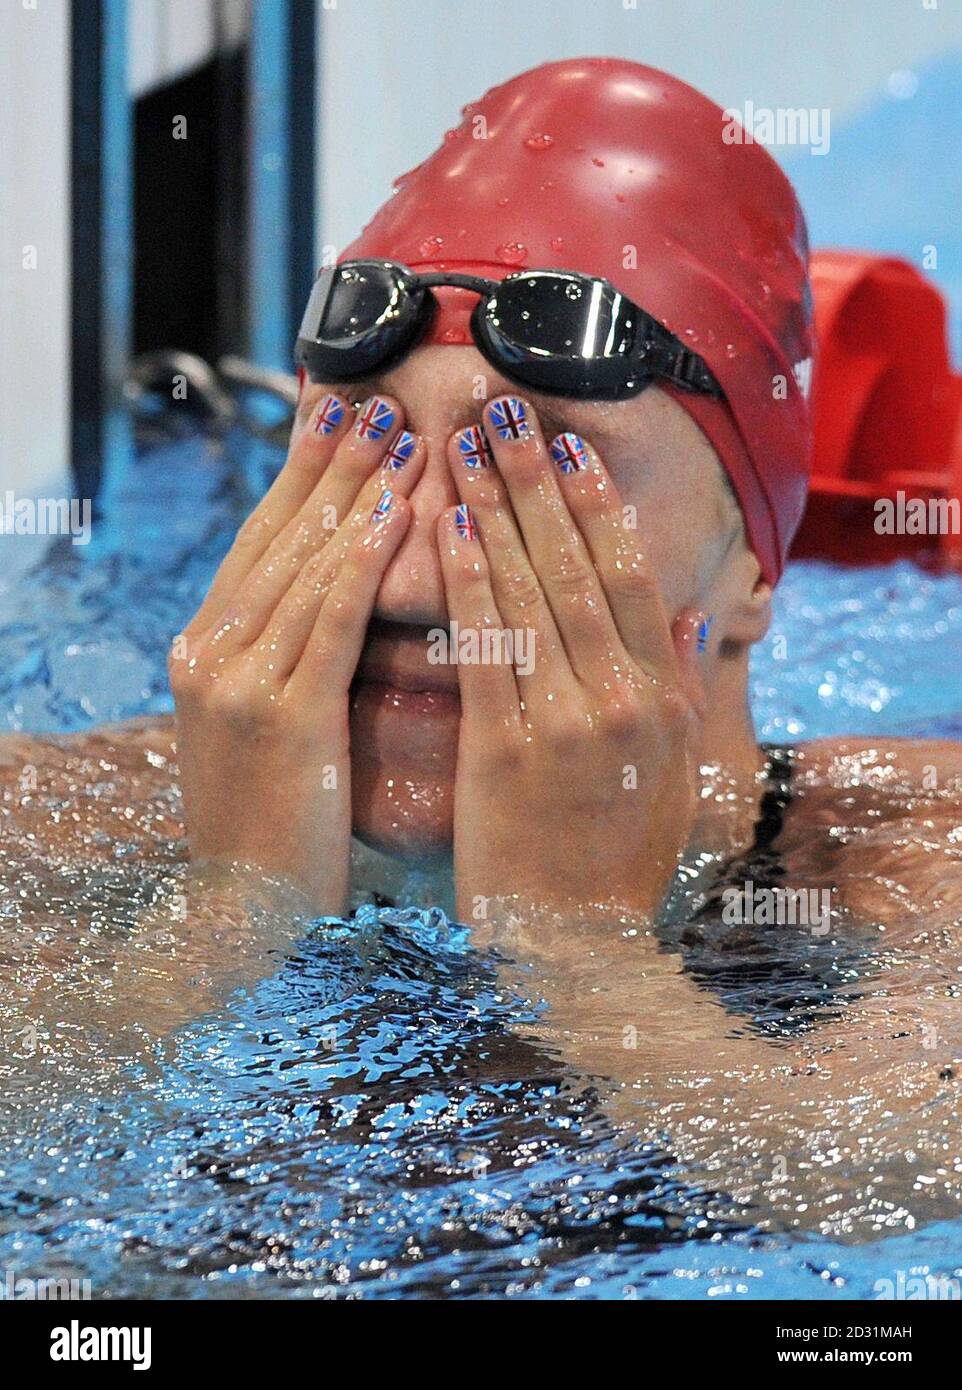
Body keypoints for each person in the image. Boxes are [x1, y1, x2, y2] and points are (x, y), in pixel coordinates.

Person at [4, 59, 962, 1234]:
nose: (409, 575)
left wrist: (577, 950)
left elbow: (877, 1183)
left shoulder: (908, 860)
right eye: (366, 452)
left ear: (753, 574)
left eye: (536, 475)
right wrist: (226, 912)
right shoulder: (54, 821)